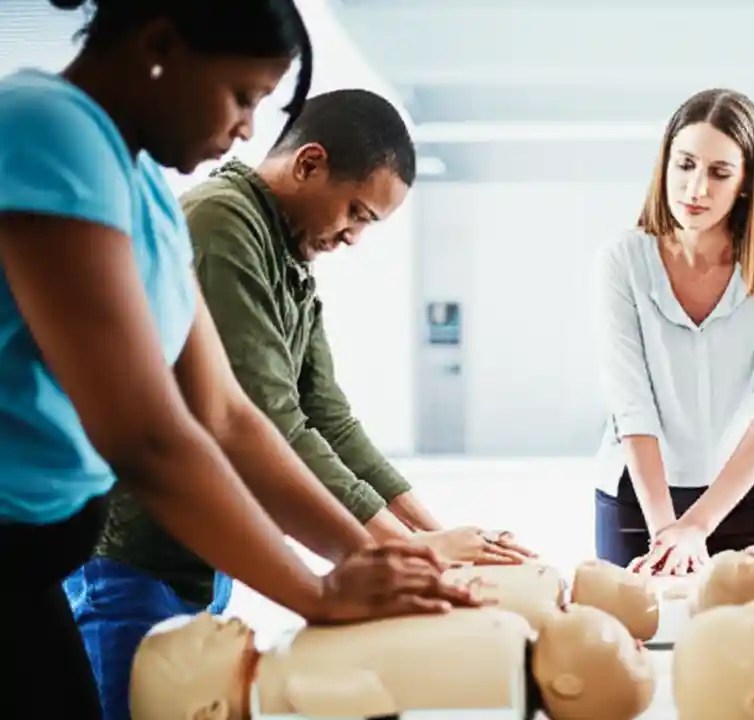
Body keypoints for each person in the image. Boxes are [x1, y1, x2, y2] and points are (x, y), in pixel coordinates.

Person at [0, 2, 473, 717]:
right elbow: (149, 437)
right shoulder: (49, 130)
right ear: (159, 42)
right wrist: (317, 595)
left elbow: (227, 415)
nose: (249, 128)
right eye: (243, 96)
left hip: (35, 560)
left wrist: (362, 556)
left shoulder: (150, 196)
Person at [62, 87, 530, 720]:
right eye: (357, 213)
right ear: (309, 164)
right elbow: (265, 420)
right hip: (132, 555)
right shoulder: (220, 225)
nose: (354, 237)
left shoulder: (287, 255)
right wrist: (396, 556)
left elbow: (326, 413)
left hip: (199, 554)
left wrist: (427, 531)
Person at [593, 88, 754, 582]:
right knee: (634, 644)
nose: (695, 188)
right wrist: (667, 533)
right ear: (665, 164)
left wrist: (697, 527)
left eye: (719, 173)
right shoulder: (623, 260)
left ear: (746, 184)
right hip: (641, 501)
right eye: (685, 164)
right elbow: (633, 409)